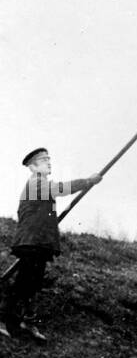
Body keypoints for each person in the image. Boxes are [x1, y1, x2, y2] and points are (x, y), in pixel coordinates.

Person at [0, 147, 103, 343]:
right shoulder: (35, 183)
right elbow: (60, 189)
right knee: (24, 282)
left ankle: (27, 321)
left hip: (40, 243)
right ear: (33, 167)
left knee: (34, 283)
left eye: (49, 159)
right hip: (31, 241)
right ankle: (2, 318)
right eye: (43, 160)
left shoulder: (42, 185)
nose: (49, 162)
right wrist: (87, 181)